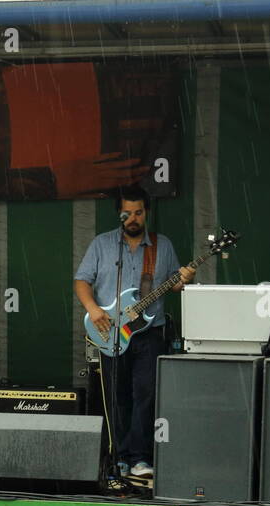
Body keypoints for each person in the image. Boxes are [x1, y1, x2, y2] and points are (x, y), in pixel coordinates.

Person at [74, 185, 195, 479]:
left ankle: (140, 457)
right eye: (127, 213)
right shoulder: (102, 244)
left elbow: (173, 284)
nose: (133, 219)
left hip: (149, 332)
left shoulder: (161, 245)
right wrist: (93, 309)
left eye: (139, 212)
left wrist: (184, 280)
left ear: (146, 213)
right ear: (119, 213)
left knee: (145, 394)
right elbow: (82, 281)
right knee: (116, 395)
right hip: (110, 331)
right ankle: (119, 457)